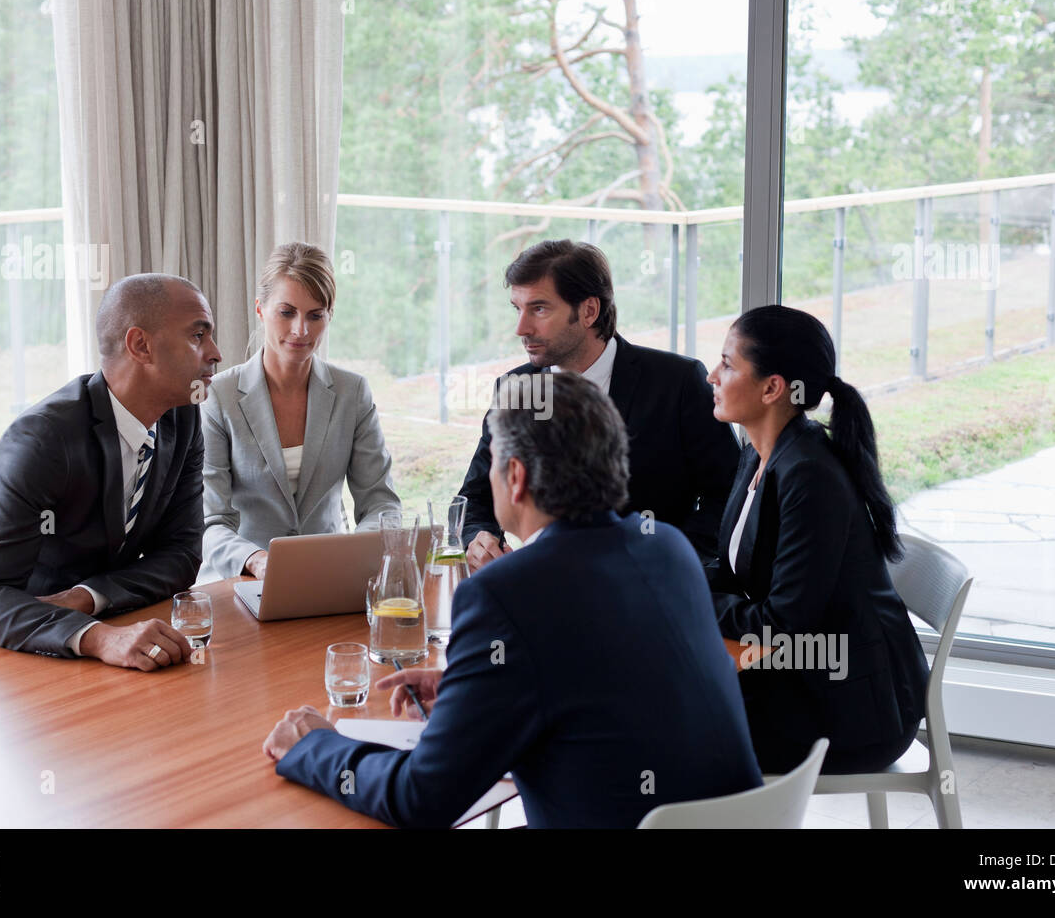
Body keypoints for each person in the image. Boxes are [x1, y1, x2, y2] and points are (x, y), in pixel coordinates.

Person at [262, 371, 762, 828]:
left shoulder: (506, 593)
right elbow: (604, 672)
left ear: (516, 476)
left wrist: (314, 745)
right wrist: (482, 685)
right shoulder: (668, 547)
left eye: (495, 459)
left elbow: (423, 799)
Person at [0, 274, 220, 669]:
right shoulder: (41, 440)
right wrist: (98, 636)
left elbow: (182, 555)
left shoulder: (182, 419)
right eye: (198, 335)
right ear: (141, 345)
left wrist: (88, 597)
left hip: (97, 638)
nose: (216, 353)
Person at [706, 304, 930, 774]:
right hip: (800, 673)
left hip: (850, 708)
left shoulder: (809, 474)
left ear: (773, 388)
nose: (712, 375)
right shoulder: (758, 453)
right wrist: (665, 579)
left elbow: (780, 622)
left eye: (728, 364)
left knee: (663, 719)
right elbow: (731, 570)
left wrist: (685, 596)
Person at [457, 239, 740, 573]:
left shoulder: (678, 382)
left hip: (651, 589)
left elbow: (728, 495)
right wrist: (480, 538)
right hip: (544, 585)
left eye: (539, 309)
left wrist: (671, 561)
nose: (521, 328)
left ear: (589, 311)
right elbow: (475, 497)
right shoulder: (516, 388)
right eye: (517, 309)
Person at [198, 242, 400, 582]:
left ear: (329, 316)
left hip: (328, 578)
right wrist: (258, 560)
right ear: (261, 309)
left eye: (315, 315)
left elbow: (381, 503)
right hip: (240, 580)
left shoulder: (353, 392)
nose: (301, 330)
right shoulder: (219, 395)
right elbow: (211, 521)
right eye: (287, 312)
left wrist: (358, 555)